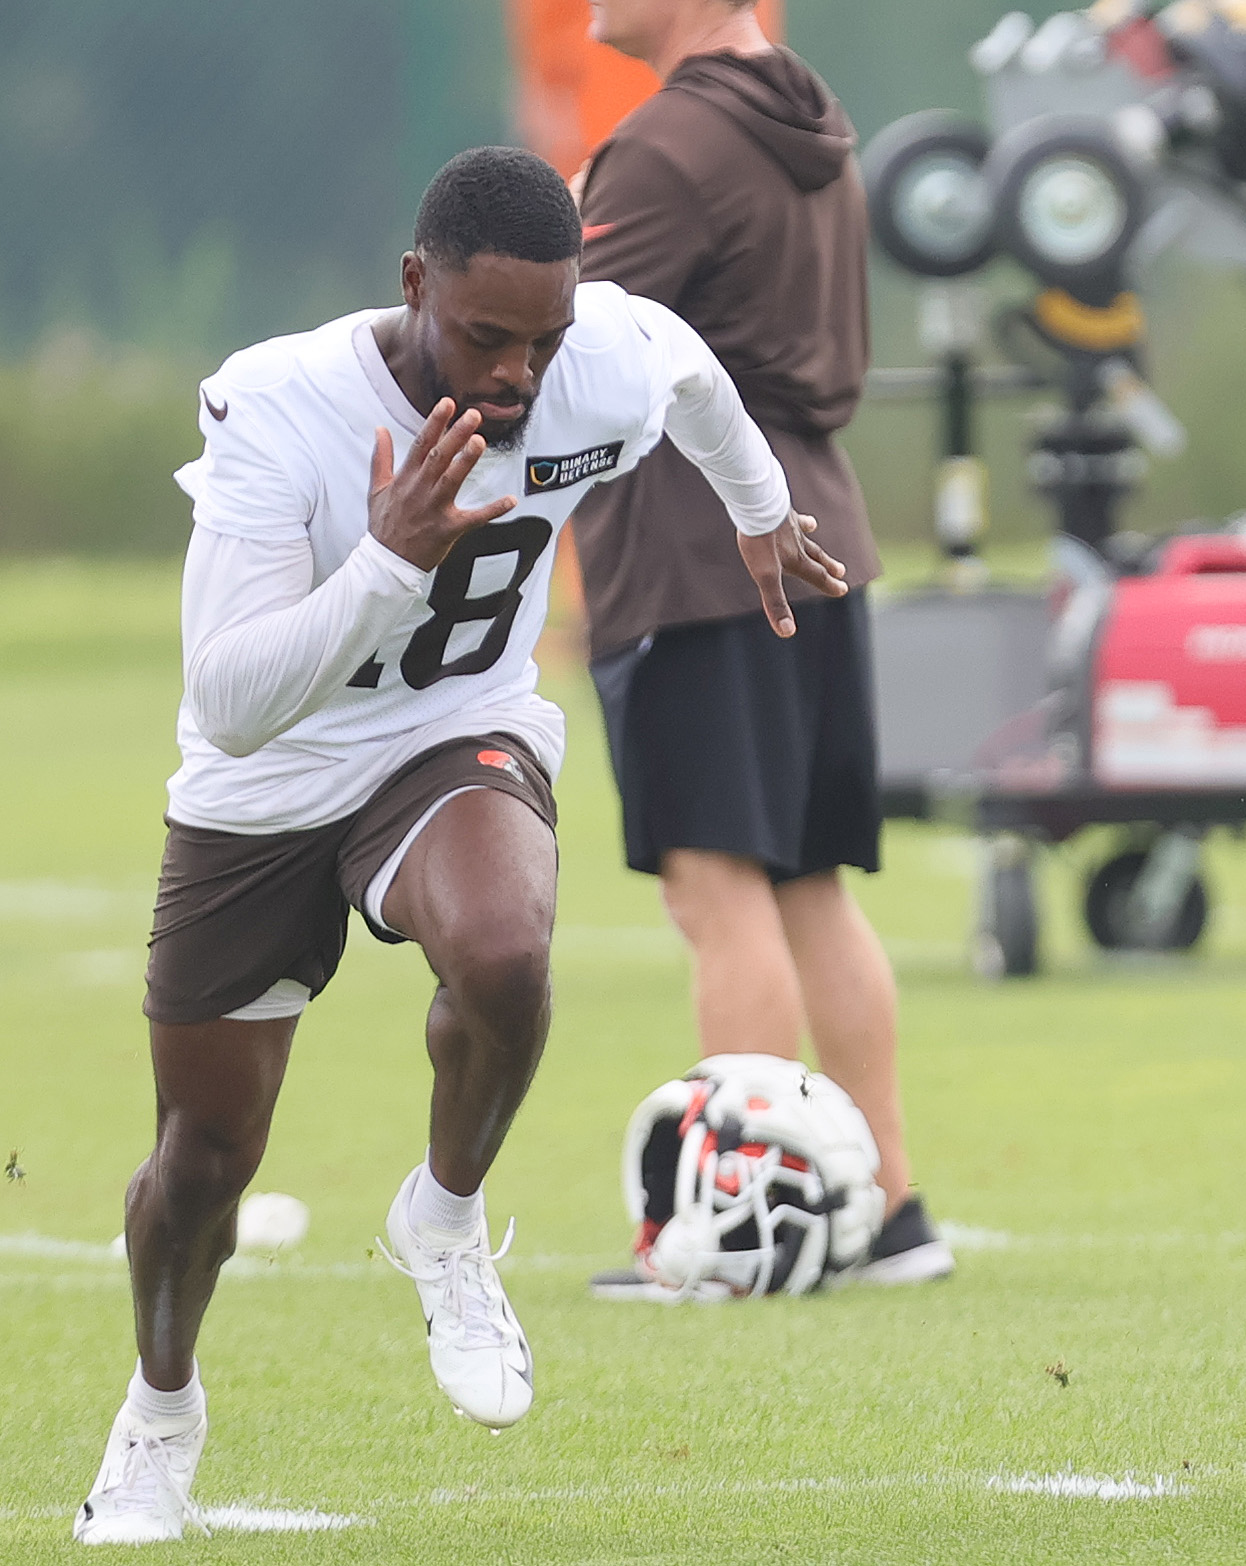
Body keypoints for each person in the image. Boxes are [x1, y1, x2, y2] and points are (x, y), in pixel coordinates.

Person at [74, 146, 842, 1543]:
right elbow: (233, 704)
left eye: (543, 340)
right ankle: (162, 1410)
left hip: (453, 731)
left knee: (503, 951)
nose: (515, 375)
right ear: (415, 283)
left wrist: (759, 516)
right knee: (200, 1162)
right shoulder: (284, 405)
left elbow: (687, 379)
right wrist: (386, 557)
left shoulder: (595, 353)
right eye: (486, 336)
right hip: (266, 784)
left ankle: (445, 1215)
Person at [570, 0, 950, 1293]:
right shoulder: (811, 119)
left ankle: (732, 1222)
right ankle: (886, 1209)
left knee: (715, 885)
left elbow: (568, 352)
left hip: (704, 557)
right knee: (807, 881)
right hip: (816, 532)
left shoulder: (666, 148)